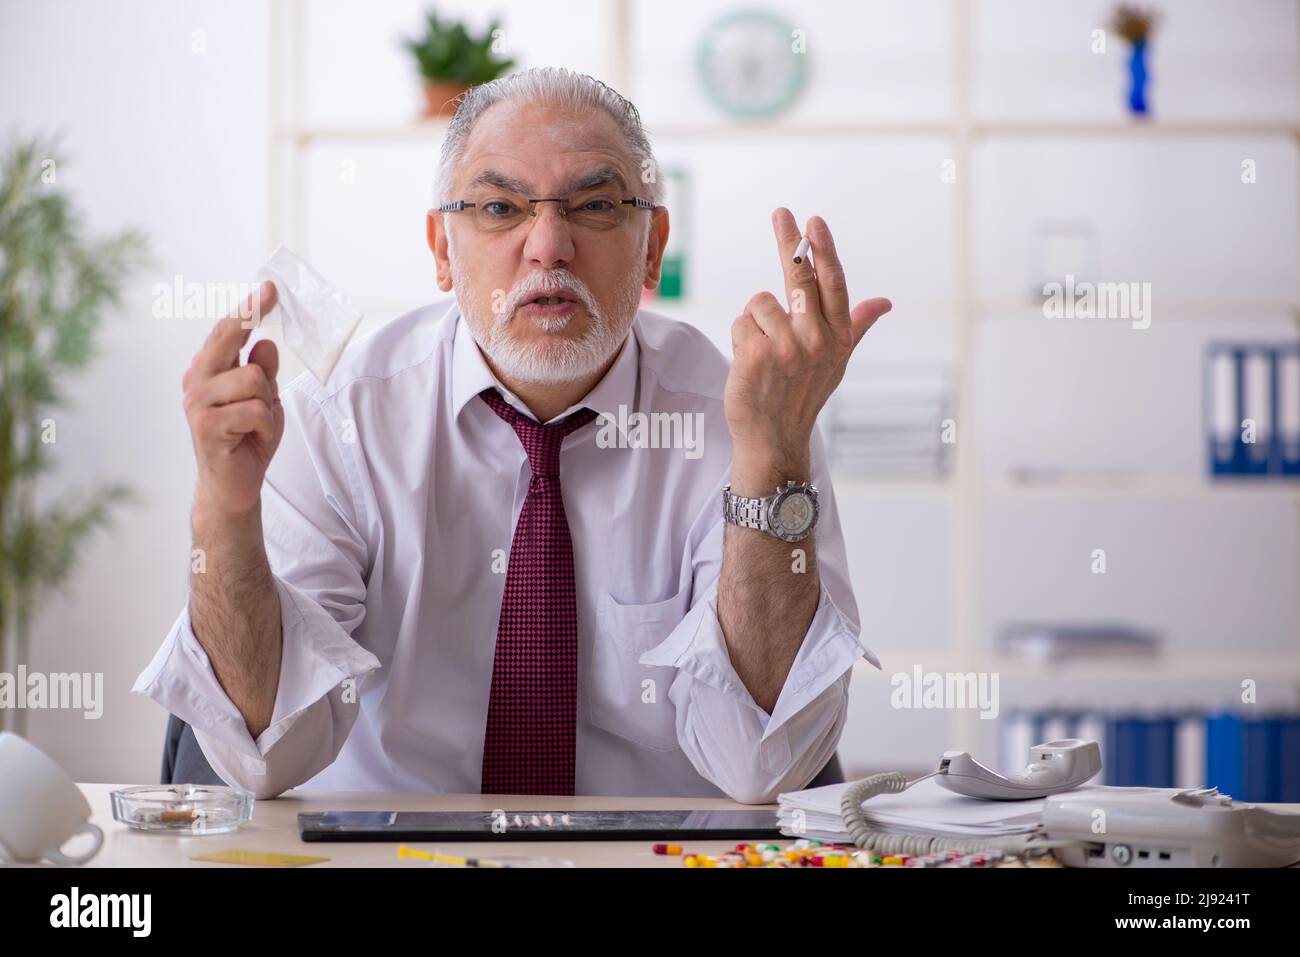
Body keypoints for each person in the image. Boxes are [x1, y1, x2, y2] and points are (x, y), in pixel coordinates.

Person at [134, 66, 891, 801]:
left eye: (594, 207)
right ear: (440, 248)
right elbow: (265, 752)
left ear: (652, 246)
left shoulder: (751, 419)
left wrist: (771, 458)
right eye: (501, 208)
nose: (549, 245)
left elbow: (760, 765)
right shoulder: (340, 421)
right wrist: (226, 512)